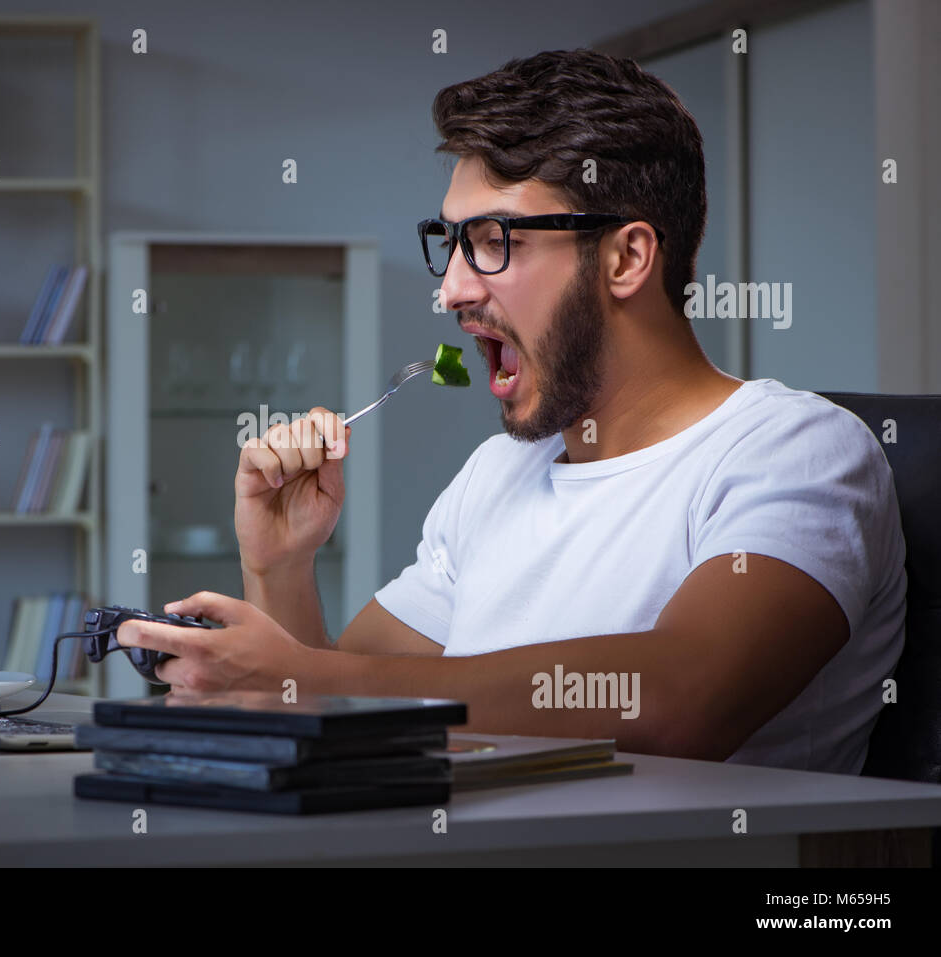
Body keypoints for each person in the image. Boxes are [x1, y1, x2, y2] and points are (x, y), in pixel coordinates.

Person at [115, 49, 906, 774]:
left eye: (493, 240)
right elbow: (345, 703)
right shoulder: (496, 475)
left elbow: (683, 701)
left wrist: (306, 673)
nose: (453, 287)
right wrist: (280, 564)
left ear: (627, 258)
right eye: (451, 242)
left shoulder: (795, 449)